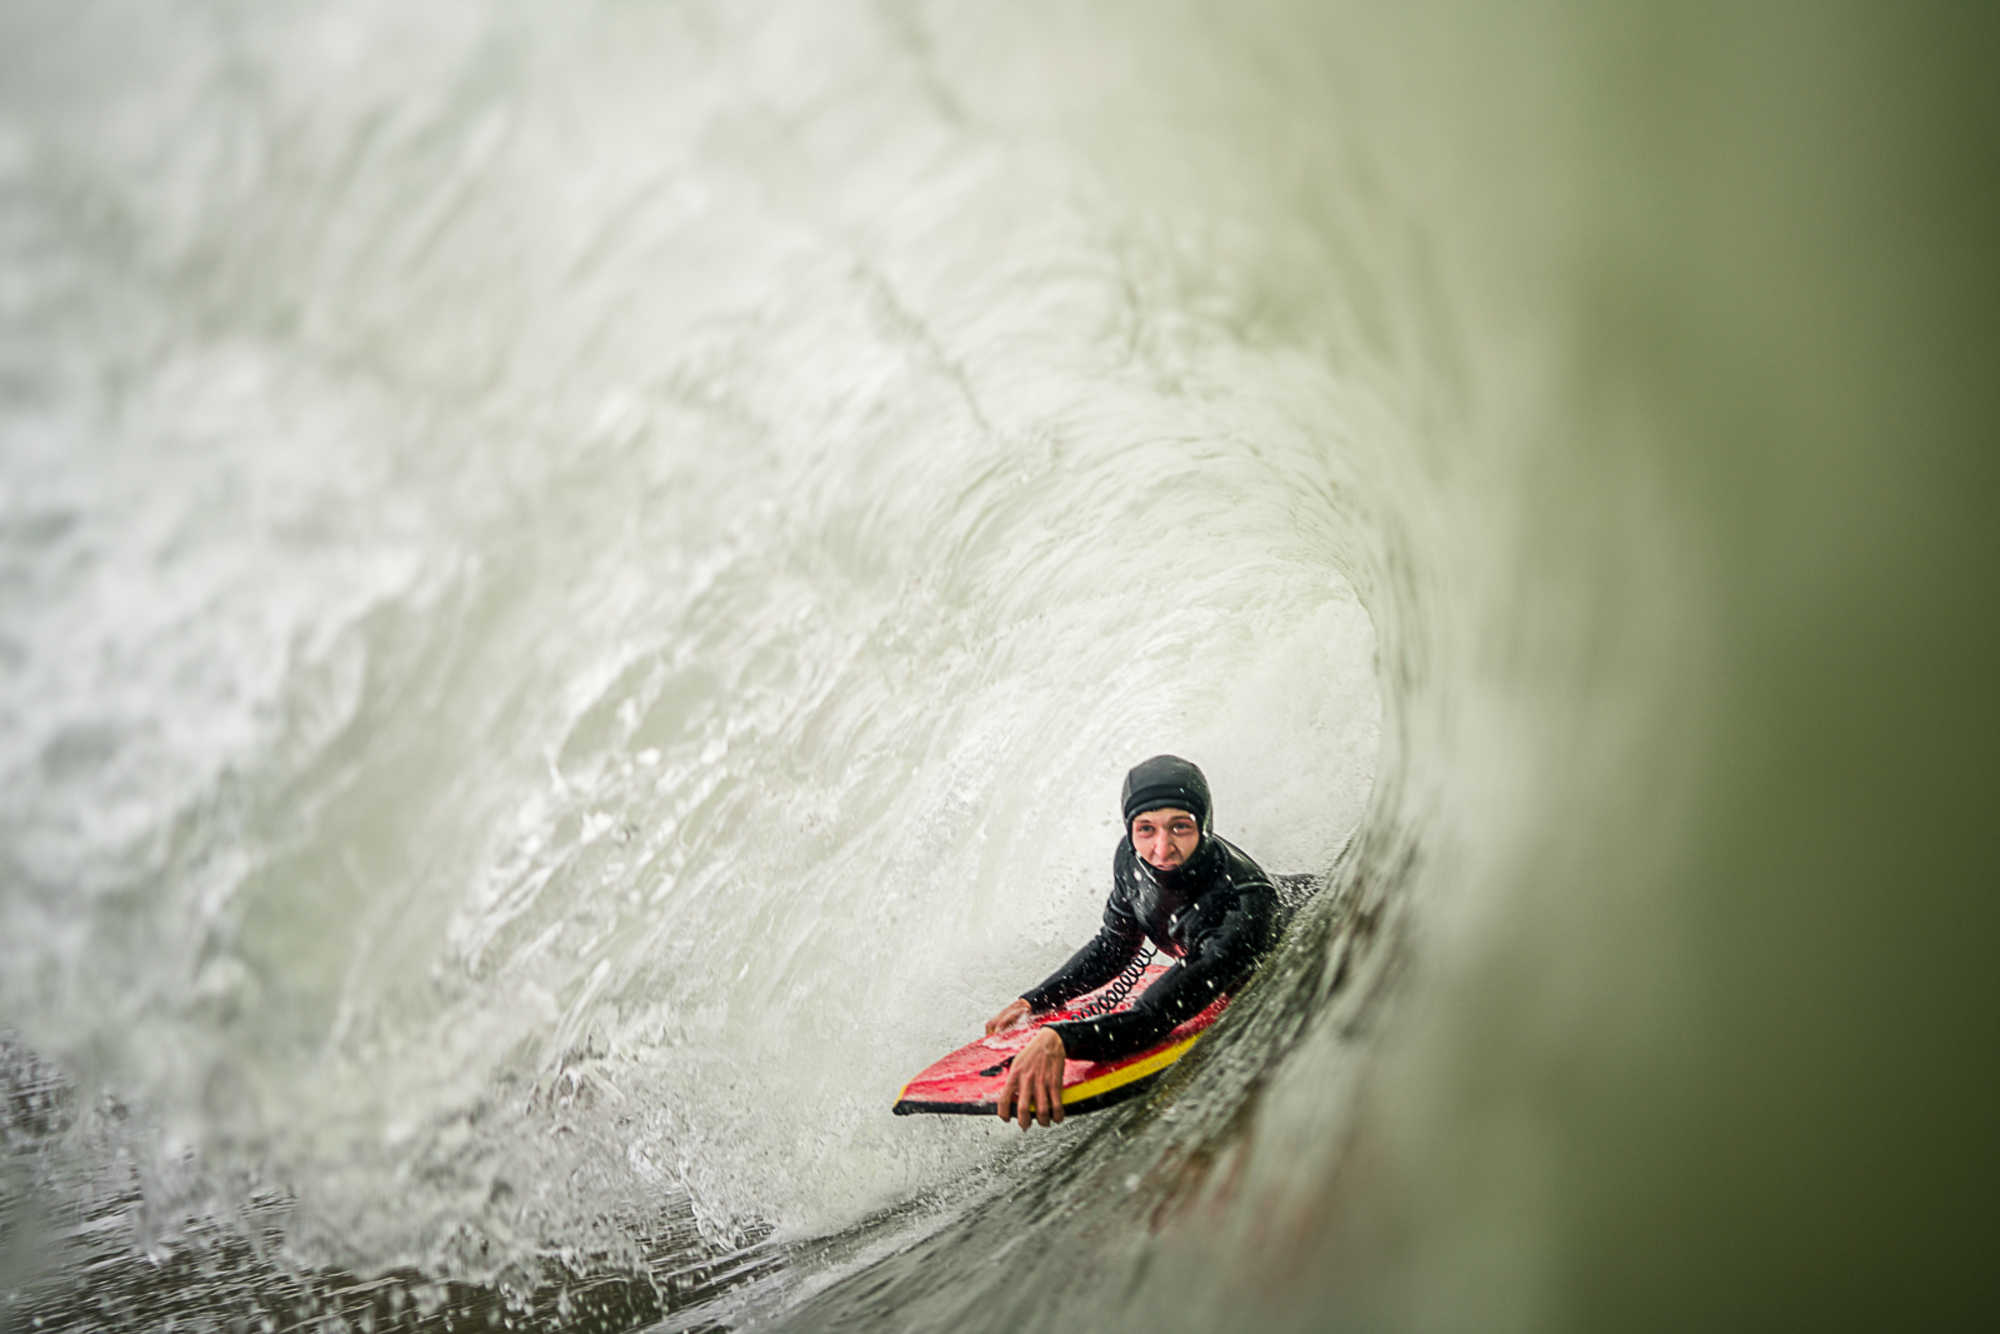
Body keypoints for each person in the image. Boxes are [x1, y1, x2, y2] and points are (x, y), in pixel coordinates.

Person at [988, 754, 1279, 1129]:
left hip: (1281, 930)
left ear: (1205, 825)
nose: (1161, 849)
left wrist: (1059, 1039)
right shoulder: (1131, 859)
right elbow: (1115, 945)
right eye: (1146, 830)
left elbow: (1153, 1018)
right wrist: (1036, 1000)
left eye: (1180, 827)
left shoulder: (1242, 903)